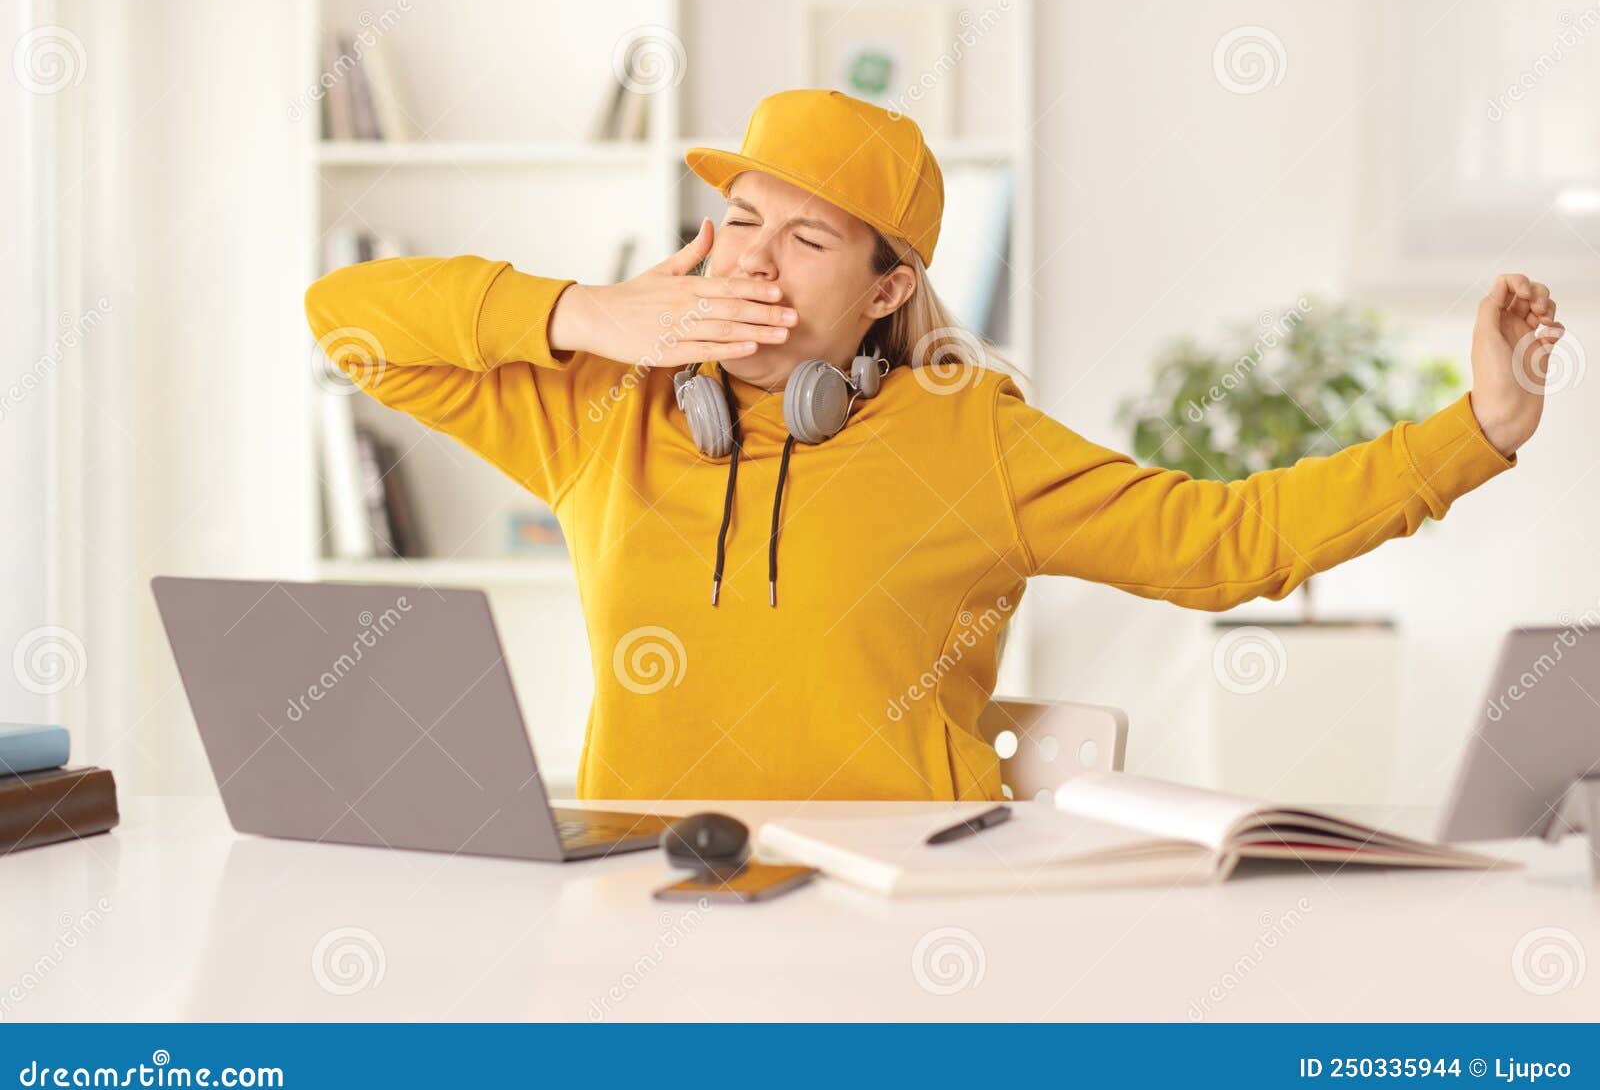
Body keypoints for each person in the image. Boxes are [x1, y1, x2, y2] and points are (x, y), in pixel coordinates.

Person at [304, 88, 1564, 802]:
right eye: (739, 217)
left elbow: (1226, 544)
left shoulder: (967, 437)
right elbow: (347, 321)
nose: (751, 256)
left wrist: (1480, 429)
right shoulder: (603, 410)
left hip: (904, 921)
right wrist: (584, 314)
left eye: (807, 237)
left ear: (886, 290)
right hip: (652, 902)